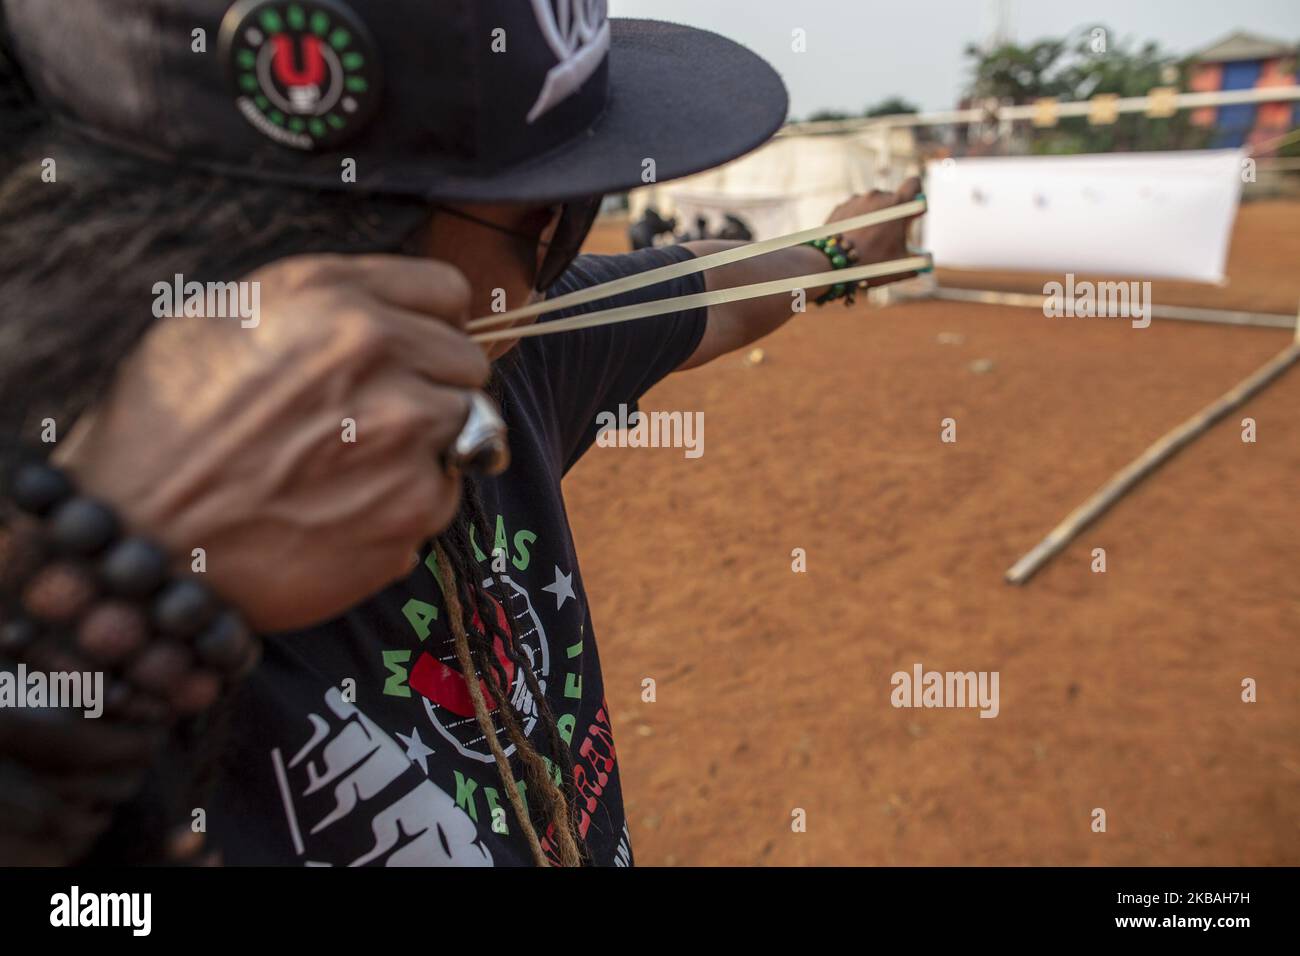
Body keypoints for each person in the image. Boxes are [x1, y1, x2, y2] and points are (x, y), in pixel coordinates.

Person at [0, 0, 922, 866]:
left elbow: (712, 291)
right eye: (539, 217)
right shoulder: (58, 551)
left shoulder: (508, 352)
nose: (559, 248)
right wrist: (90, 604)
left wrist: (837, 256)